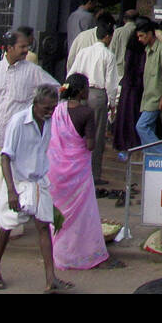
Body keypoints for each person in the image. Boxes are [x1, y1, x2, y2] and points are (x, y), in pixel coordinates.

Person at [0, 28, 58, 240]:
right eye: (21, 47)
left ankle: (12, 227)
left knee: (15, 183)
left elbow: (56, 89)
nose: (25, 50)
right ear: (9, 48)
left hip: (20, 140)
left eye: (26, 47)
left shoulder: (32, 71)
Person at [0, 85, 71, 291]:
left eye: (53, 107)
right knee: (7, 226)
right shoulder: (18, 122)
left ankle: (51, 279)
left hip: (39, 181)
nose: (49, 112)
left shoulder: (50, 121)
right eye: (45, 108)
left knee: (43, 227)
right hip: (18, 182)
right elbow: (6, 157)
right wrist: (10, 191)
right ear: (35, 105)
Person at [47, 73, 110, 271]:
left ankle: (60, 253)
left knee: (59, 215)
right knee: (83, 215)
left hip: (56, 171)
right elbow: (90, 144)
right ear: (82, 90)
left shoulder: (56, 111)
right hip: (78, 172)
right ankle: (82, 254)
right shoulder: (86, 112)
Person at [68, 19, 117, 185]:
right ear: (108, 37)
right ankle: (93, 175)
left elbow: (72, 73)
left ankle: (76, 172)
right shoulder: (108, 55)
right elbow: (111, 83)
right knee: (95, 136)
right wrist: (112, 104)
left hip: (80, 94)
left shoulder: (84, 52)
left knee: (78, 134)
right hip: (97, 94)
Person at [135, 22, 162, 155]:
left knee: (142, 126)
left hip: (156, 98)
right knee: (148, 130)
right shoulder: (148, 50)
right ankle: (150, 159)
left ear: (150, 34)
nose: (140, 39)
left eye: (142, 36)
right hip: (148, 97)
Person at [112, 21, 149, 153]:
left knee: (125, 114)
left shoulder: (130, 48)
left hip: (128, 84)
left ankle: (124, 141)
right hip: (137, 85)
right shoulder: (143, 51)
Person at [64, 0, 99, 72]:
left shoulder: (72, 15)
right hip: (84, 54)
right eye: (94, 3)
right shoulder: (89, 17)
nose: (95, 6)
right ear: (89, 2)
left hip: (71, 50)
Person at [110, 10, 138, 80]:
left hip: (118, 70)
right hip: (134, 71)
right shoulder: (139, 32)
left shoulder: (118, 32)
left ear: (124, 19)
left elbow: (111, 50)